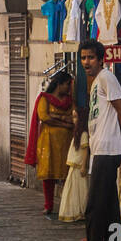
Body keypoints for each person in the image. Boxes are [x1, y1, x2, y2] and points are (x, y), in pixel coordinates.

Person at [66, 40, 121, 241]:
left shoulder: (107, 78)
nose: (86, 62)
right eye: (83, 58)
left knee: (95, 207)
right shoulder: (97, 82)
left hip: (107, 151)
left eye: (91, 58)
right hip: (103, 150)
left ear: (100, 59)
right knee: (110, 209)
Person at [25, 71, 74, 217]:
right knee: (49, 175)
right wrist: (64, 121)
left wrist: (57, 116)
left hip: (66, 141)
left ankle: (67, 205)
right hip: (48, 142)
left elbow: (73, 117)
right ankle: (49, 205)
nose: (69, 88)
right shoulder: (44, 98)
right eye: (67, 85)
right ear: (59, 84)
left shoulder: (69, 101)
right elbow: (45, 117)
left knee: (67, 174)